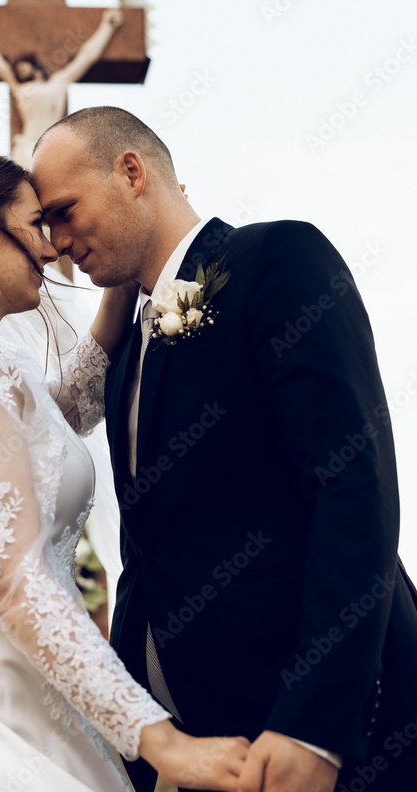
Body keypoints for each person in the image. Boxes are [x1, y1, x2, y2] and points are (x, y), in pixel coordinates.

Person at [31, 107, 417, 792]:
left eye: (64, 211)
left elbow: (354, 488)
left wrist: (315, 724)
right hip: (198, 744)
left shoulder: (276, 261)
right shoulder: (125, 348)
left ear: (130, 172)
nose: (57, 242)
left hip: (323, 734)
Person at [0, 150, 249, 792]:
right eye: (35, 224)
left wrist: (126, 261)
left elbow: (65, 413)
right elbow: (15, 583)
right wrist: (160, 741)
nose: (53, 246)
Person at [0, 6, 124, 166]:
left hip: (55, 149)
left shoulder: (59, 82)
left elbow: (86, 57)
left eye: (23, 64)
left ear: (35, 66)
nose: (19, 69)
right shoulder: (19, 88)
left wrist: (107, 26)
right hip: (27, 150)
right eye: (17, 69)